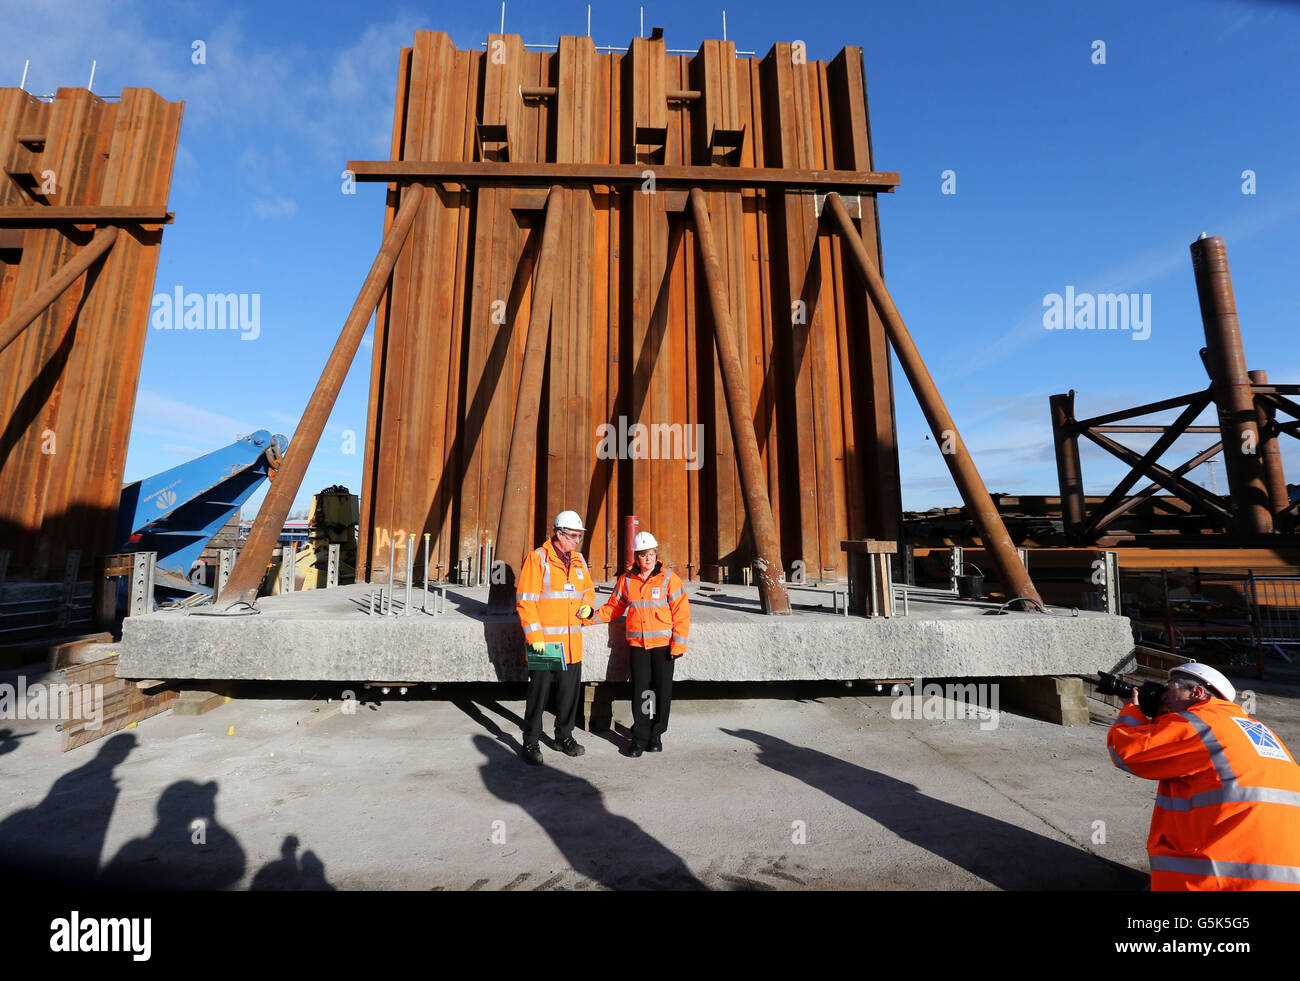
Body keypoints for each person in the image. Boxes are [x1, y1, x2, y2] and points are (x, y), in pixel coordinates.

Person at [1107, 661, 1300, 890]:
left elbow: (1127, 751)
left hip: (1226, 879)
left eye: (1170, 688)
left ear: (1197, 692)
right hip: (1284, 875)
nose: (1164, 695)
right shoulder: (1257, 730)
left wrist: (1132, 709)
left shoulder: (1199, 724)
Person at [593, 530, 690, 757]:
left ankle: (656, 735)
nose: (648, 559)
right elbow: (613, 607)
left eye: (651, 554)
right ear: (636, 557)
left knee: (662, 691)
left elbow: (681, 613)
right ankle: (640, 737)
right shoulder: (627, 580)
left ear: (657, 555)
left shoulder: (668, 579)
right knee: (641, 691)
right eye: (643, 555)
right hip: (638, 645)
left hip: (663, 646)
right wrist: (588, 618)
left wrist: (678, 644)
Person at [515, 510, 596, 766]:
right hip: (546, 643)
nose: (576, 541)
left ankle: (564, 737)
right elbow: (526, 601)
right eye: (573, 536)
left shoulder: (580, 561)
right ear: (559, 533)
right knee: (539, 695)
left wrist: (588, 607)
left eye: (579, 536)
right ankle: (530, 741)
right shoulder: (538, 559)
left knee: (568, 695)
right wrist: (534, 636)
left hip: (572, 643)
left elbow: (588, 591)